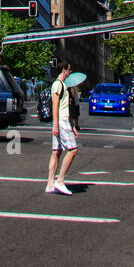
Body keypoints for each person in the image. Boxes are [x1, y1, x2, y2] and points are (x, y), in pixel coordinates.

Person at [46, 59, 78, 195]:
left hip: (64, 121)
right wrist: (55, 125)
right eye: (69, 70)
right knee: (72, 150)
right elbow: (55, 104)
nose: (70, 73)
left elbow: (65, 106)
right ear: (64, 70)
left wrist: (73, 125)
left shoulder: (63, 85)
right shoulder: (57, 84)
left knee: (56, 151)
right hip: (61, 121)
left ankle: (50, 184)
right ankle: (60, 180)